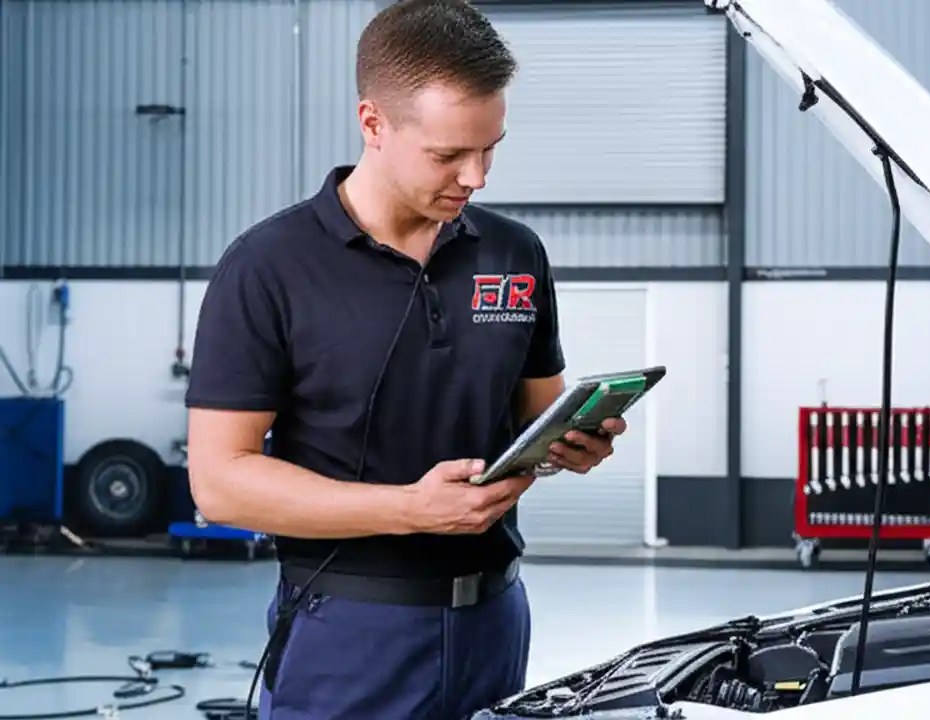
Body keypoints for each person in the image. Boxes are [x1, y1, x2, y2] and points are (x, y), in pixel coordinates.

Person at [183, 1, 626, 718]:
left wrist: (571, 441)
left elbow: (538, 412)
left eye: (491, 148)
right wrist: (409, 509)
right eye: (449, 155)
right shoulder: (269, 267)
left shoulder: (515, 254)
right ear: (373, 124)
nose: (476, 176)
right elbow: (220, 483)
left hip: (496, 620)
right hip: (349, 629)